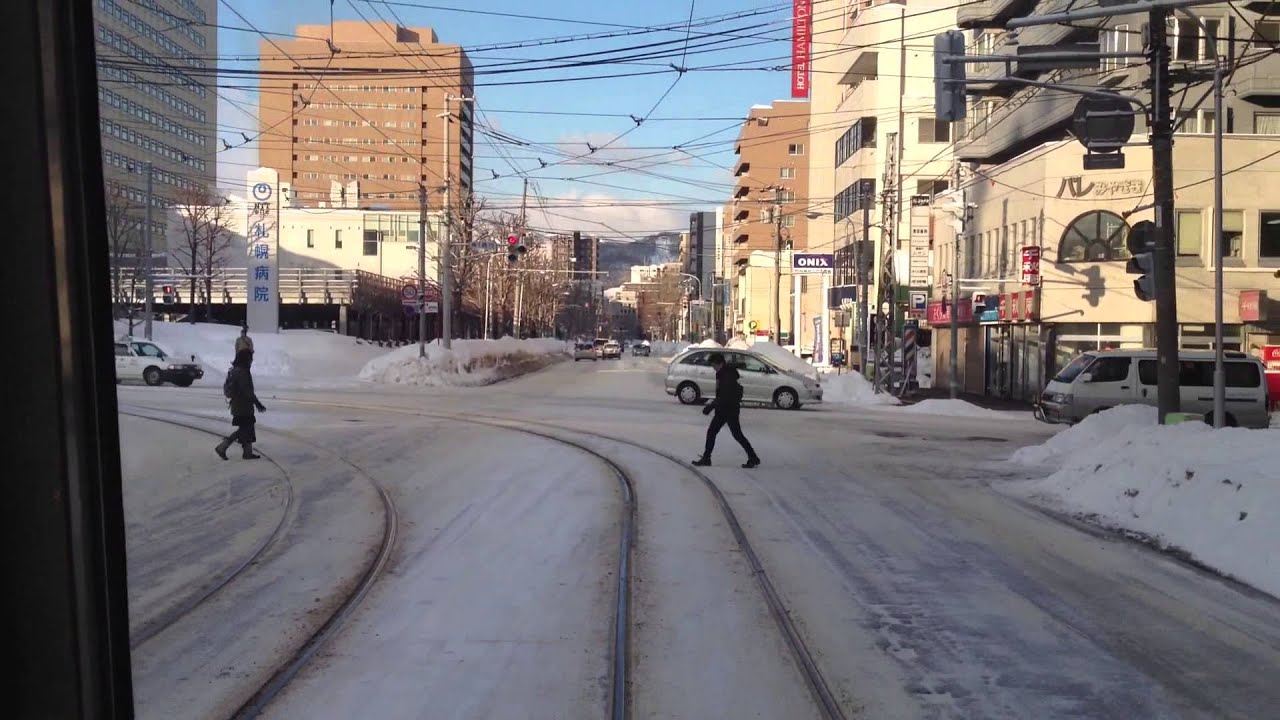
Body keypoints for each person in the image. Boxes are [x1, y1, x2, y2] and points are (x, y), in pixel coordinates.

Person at [693, 353, 760, 468]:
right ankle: (707, 458)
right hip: (725, 408)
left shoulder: (726, 374)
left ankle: (752, 457)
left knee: (733, 434)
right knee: (718, 433)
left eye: (713, 365)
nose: (713, 367)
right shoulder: (723, 373)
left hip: (728, 409)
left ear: (719, 363)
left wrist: (711, 406)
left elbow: (724, 395)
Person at [216, 349, 267, 460]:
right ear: (246, 359)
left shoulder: (234, 370)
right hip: (243, 405)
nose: (252, 360)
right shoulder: (243, 372)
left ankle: (247, 453)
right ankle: (222, 447)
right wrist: (257, 403)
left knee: (248, 427)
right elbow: (247, 390)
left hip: (238, 404)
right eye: (250, 358)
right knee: (245, 428)